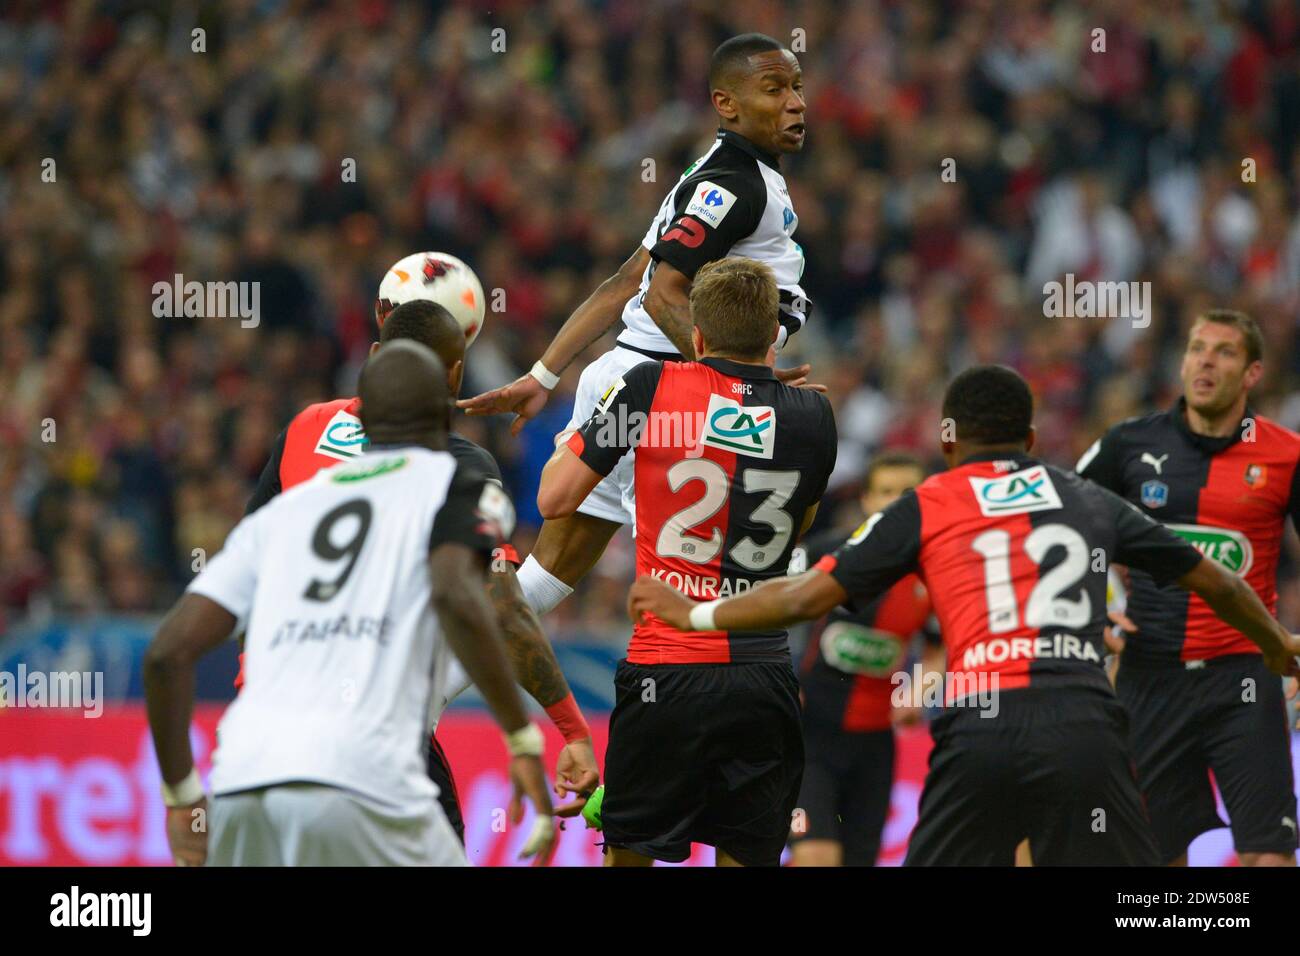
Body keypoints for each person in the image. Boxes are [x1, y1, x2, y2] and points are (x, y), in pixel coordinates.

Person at [630, 364, 1300, 866]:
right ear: (1032, 438)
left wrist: (694, 614)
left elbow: (806, 595)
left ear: (948, 440)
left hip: (983, 725)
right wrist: (1275, 643)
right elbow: (1216, 577)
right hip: (1087, 727)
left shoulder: (930, 502)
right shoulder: (1087, 499)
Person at [144, 341, 554, 866]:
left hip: (244, 779)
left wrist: (182, 800)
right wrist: (521, 737)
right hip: (367, 777)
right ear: (442, 422)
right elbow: (462, 595)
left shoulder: (279, 516)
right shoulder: (462, 486)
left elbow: (167, 653)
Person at [460, 33, 816, 624]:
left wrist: (542, 373)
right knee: (721, 576)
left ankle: (429, 690)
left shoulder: (711, 173)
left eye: (798, 87)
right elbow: (660, 293)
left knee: (547, 576)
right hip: (668, 391)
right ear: (726, 103)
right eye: (774, 90)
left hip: (628, 380)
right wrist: (738, 384)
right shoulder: (735, 186)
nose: (796, 103)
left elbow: (627, 281)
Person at [245, 299, 599, 847]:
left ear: (375, 357)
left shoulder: (304, 428)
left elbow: (242, 577)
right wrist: (560, 732)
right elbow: (496, 606)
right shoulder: (459, 468)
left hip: (264, 730)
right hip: (373, 733)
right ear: (454, 375)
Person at [538, 257, 837, 866]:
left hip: (664, 673)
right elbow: (798, 528)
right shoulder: (815, 416)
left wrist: (578, 437)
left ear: (696, 336)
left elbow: (554, 498)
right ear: (775, 337)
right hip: (763, 674)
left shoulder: (649, 386)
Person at [1077, 309, 1300, 866]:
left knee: (1269, 856)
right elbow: (1064, 528)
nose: (1205, 360)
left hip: (1244, 675)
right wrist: (1095, 616)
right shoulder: (1127, 445)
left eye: (1223, 351)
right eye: (1196, 348)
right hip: (1148, 674)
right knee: (1146, 857)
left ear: (1252, 374)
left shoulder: (1286, 455)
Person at [787, 451, 943, 867]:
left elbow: (937, 648)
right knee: (818, 857)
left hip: (875, 748)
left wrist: (918, 692)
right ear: (866, 501)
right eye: (886, 492)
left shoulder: (937, 572)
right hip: (809, 738)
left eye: (908, 493)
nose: (896, 502)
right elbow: (762, 609)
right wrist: (780, 681)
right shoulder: (826, 553)